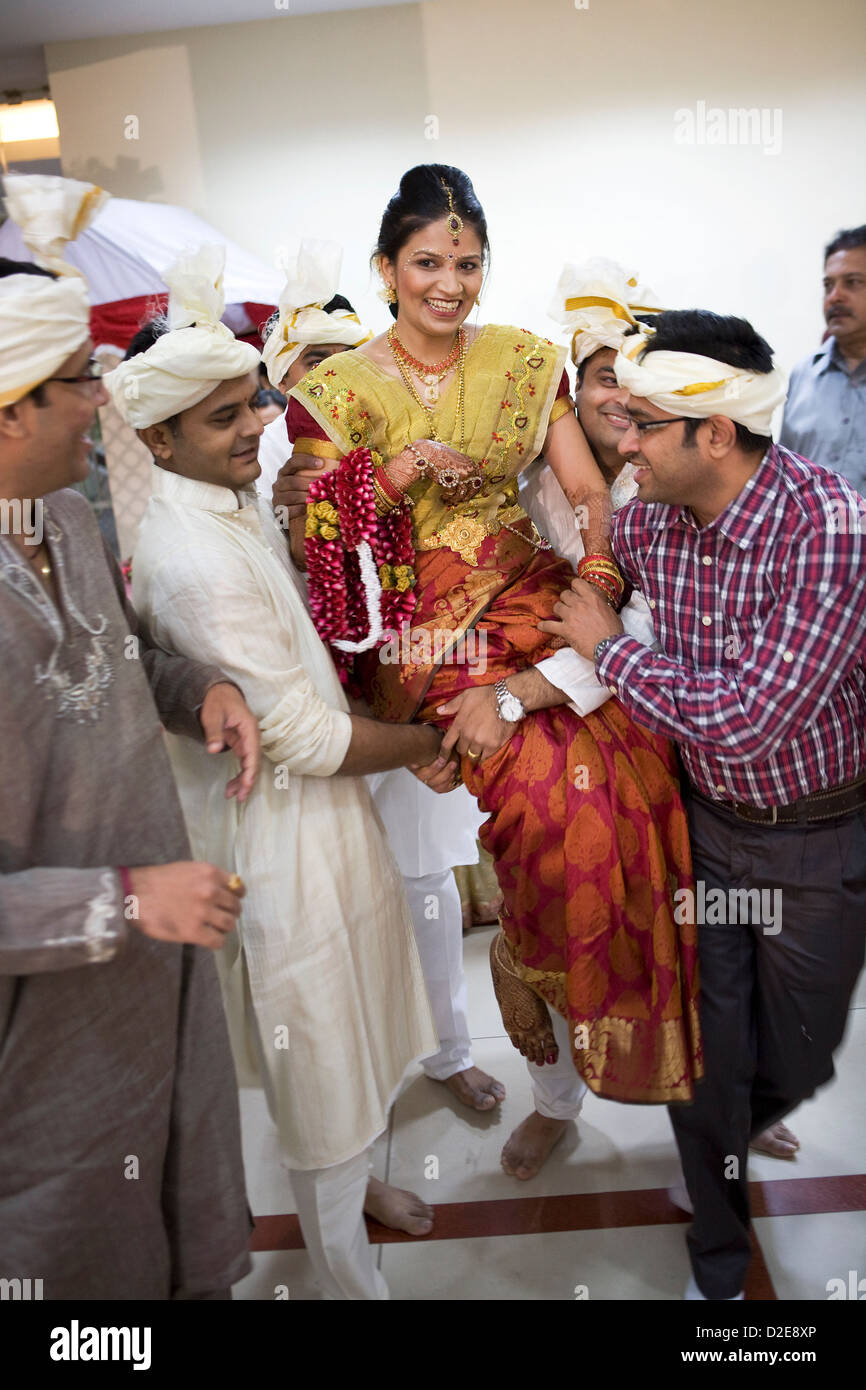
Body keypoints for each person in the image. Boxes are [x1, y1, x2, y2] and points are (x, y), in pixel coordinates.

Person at [280, 164, 702, 1107]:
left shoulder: (523, 359)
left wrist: (596, 573)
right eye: (427, 261)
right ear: (387, 268)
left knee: (636, 773)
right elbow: (312, 540)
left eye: (468, 263)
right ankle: (528, 959)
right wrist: (389, 476)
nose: (450, 282)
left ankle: (622, 1028)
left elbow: (588, 492)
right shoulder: (338, 389)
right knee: (550, 803)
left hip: (529, 589)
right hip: (425, 634)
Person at [107, 244, 443, 1300]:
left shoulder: (231, 494)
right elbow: (296, 733)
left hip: (334, 826)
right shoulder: (183, 552)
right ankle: (347, 1274)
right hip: (279, 837)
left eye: (254, 398)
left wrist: (303, 512)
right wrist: (433, 743)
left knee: (368, 1026)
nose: (259, 422)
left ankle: (362, 1190)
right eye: (227, 418)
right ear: (157, 439)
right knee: (320, 1064)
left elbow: (305, 624)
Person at [545, 308, 866, 1300]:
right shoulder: (645, 520)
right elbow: (584, 588)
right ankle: (717, 1263)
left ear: (713, 433)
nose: (621, 442)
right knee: (706, 1056)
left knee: (796, 1053)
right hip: (704, 841)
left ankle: (735, 1133)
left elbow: (744, 722)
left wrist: (610, 649)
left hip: (815, 845)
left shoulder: (829, 529)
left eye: (641, 423)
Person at [0, 176, 261, 1300]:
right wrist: (123, 899)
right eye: (72, 384)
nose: (96, 398)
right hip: (38, 1035)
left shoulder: (64, 506)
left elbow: (106, 656)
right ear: (6, 406)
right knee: (72, 1263)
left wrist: (192, 684)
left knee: (179, 1204)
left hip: (153, 976)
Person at [511, 260, 800, 1175]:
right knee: (555, 917)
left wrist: (523, 689)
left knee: (711, 937)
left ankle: (734, 1109)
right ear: (574, 387)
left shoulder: (675, 485)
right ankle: (556, 1103)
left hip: (675, 734)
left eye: (636, 392)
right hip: (552, 750)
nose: (620, 409)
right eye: (603, 380)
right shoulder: (524, 488)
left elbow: (626, 629)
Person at [260, 242, 506, 1124]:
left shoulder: (405, 455)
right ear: (284, 385)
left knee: (423, 881)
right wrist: (301, 511)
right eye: (312, 372)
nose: (335, 390)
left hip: (402, 695)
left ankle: (446, 1049)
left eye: (346, 366)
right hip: (308, 716)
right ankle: (358, 1076)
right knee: (333, 903)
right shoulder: (267, 474)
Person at [780, 225, 866, 495]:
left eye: (852, 282)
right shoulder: (803, 374)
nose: (835, 297)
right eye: (829, 285)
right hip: (807, 536)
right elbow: (785, 473)